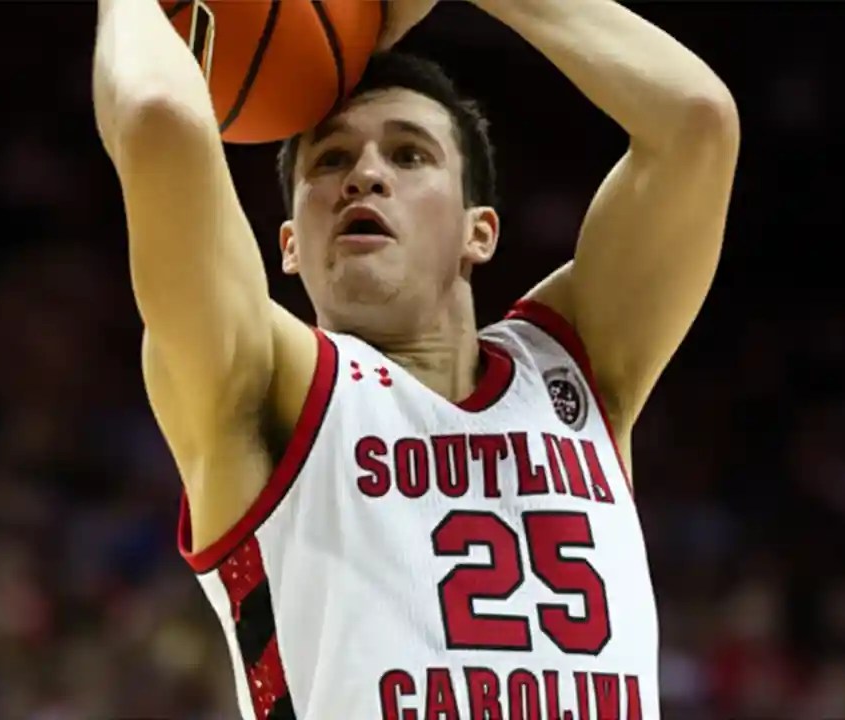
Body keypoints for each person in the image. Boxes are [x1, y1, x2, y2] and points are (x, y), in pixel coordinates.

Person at [92, 0, 738, 715]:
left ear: (479, 231)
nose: (364, 176)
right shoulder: (265, 386)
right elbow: (158, 118)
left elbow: (696, 123)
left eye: (409, 154)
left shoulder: (578, 364)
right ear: (289, 246)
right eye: (331, 159)